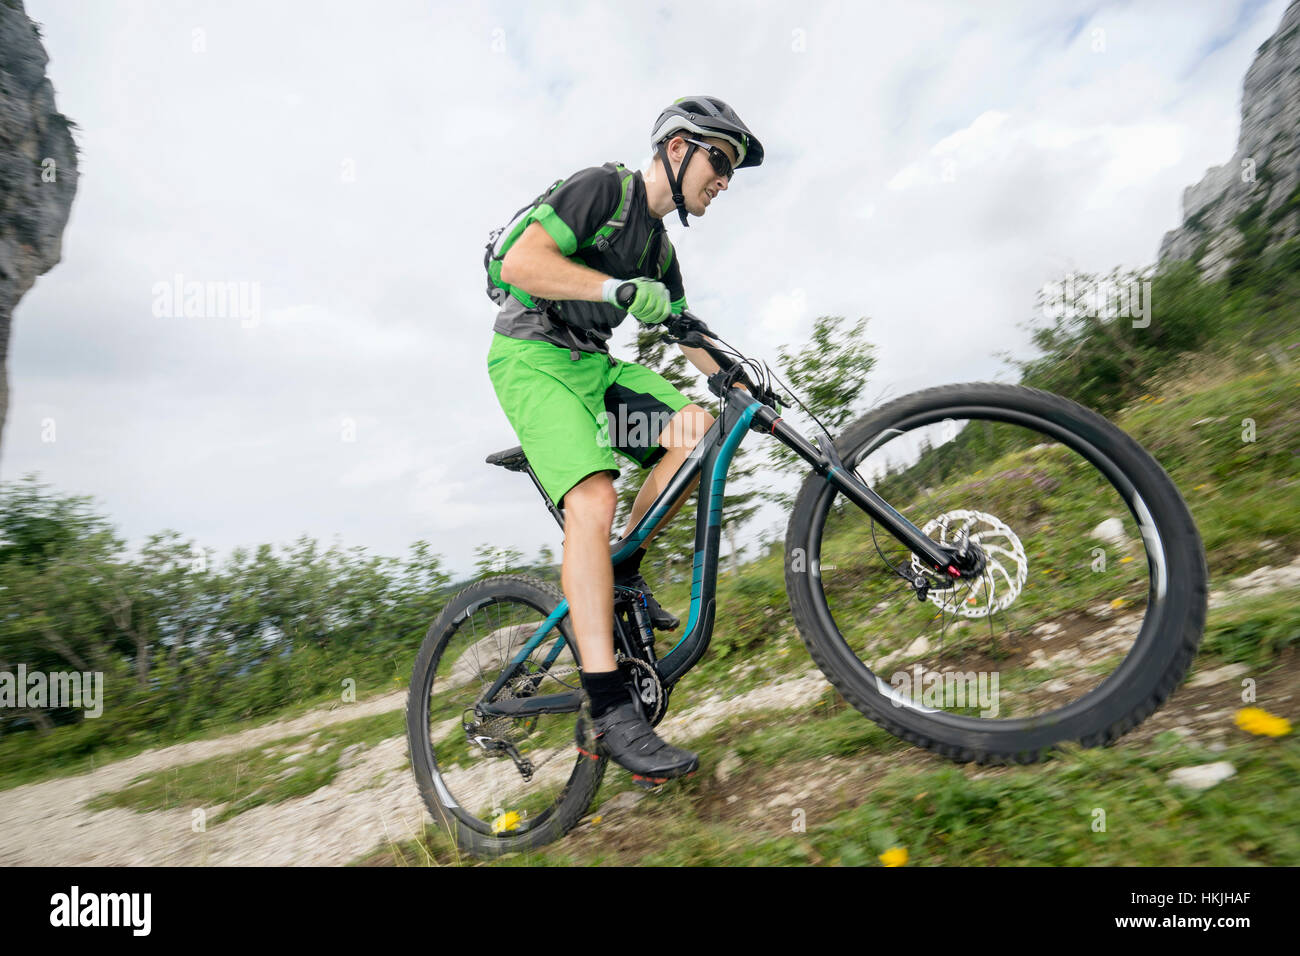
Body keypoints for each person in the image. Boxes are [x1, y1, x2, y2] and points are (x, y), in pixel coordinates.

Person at [485, 96, 763, 782]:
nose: (723, 180)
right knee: (595, 498)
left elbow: (683, 329)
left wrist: (737, 379)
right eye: (719, 161)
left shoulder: (658, 249)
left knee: (696, 430)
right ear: (677, 148)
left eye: (730, 171)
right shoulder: (600, 190)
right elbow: (521, 263)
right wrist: (614, 291)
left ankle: (623, 572)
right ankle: (610, 709)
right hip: (533, 357)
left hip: (594, 366)